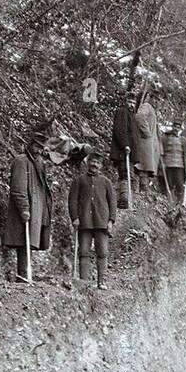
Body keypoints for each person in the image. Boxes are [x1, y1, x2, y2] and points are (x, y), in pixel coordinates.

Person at [2, 129, 53, 282]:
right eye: (36, 146)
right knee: (23, 241)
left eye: (41, 147)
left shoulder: (39, 163)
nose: (39, 150)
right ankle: (22, 275)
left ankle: (25, 275)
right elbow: (18, 188)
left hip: (36, 210)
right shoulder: (21, 161)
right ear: (30, 145)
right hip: (26, 210)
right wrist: (24, 208)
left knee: (29, 242)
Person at [68, 152, 117, 290]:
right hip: (84, 222)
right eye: (92, 161)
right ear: (87, 163)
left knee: (102, 252)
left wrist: (111, 220)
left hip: (102, 222)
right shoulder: (79, 181)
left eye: (98, 163)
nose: (94, 164)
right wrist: (75, 217)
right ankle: (84, 283)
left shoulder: (106, 182)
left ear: (101, 166)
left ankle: (102, 282)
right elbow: (72, 200)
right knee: (84, 251)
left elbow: (112, 202)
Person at [132, 90, 164, 197]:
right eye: (155, 99)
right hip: (145, 142)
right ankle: (140, 187)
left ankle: (143, 187)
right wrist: (147, 132)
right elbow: (139, 117)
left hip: (150, 144)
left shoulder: (153, 111)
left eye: (158, 100)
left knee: (146, 166)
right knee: (143, 165)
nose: (157, 102)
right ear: (150, 98)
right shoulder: (146, 106)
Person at [110, 90, 137, 206]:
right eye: (129, 102)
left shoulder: (132, 116)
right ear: (125, 102)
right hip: (123, 150)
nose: (131, 104)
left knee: (128, 174)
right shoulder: (122, 112)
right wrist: (124, 144)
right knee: (124, 173)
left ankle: (126, 198)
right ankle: (123, 200)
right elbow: (120, 130)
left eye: (133, 102)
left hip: (129, 150)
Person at [161, 121, 186, 203]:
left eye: (178, 127)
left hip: (179, 166)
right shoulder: (165, 138)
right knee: (169, 184)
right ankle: (169, 202)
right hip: (168, 165)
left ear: (180, 129)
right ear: (172, 127)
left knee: (179, 184)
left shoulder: (184, 140)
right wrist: (162, 163)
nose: (176, 129)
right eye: (175, 127)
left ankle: (179, 203)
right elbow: (161, 151)